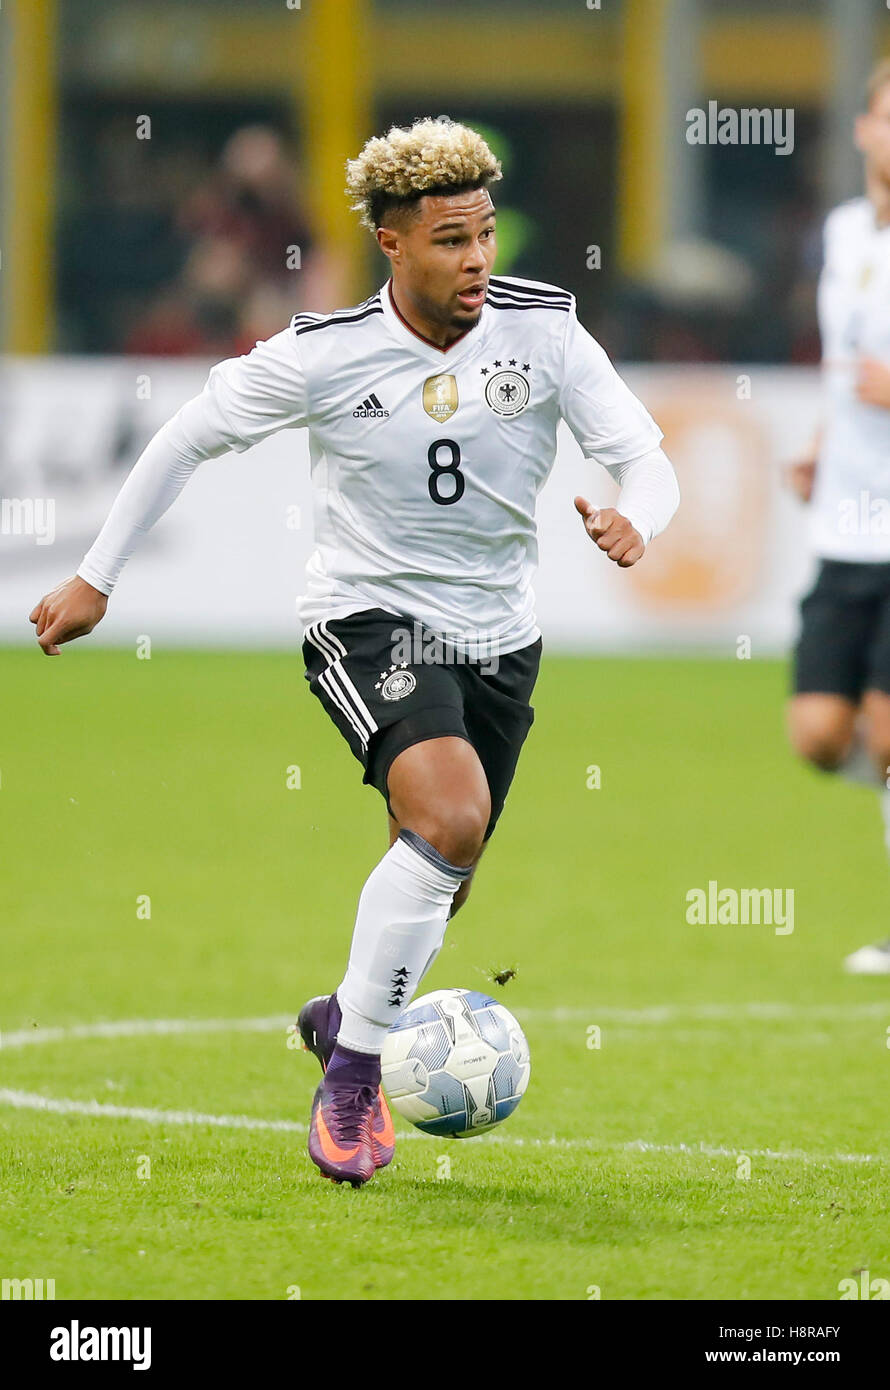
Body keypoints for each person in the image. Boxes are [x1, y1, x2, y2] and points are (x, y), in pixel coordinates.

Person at [29, 117, 679, 1185]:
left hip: (498, 641)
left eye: (481, 236)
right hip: (366, 619)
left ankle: (345, 1012)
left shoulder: (544, 331)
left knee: (439, 873)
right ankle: (351, 1080)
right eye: (448, 241)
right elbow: (184, 435)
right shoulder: (321, 353)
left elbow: (643, 455)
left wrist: (634, 517)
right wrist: (98, 574)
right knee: (451, 816)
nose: (475, 260)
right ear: (390, 243)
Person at [787, 60, 890, 974]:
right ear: (863, 129)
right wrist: (823, 443)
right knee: (820, 734)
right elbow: (840, 371)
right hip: (843, 532)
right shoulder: (845, 231)